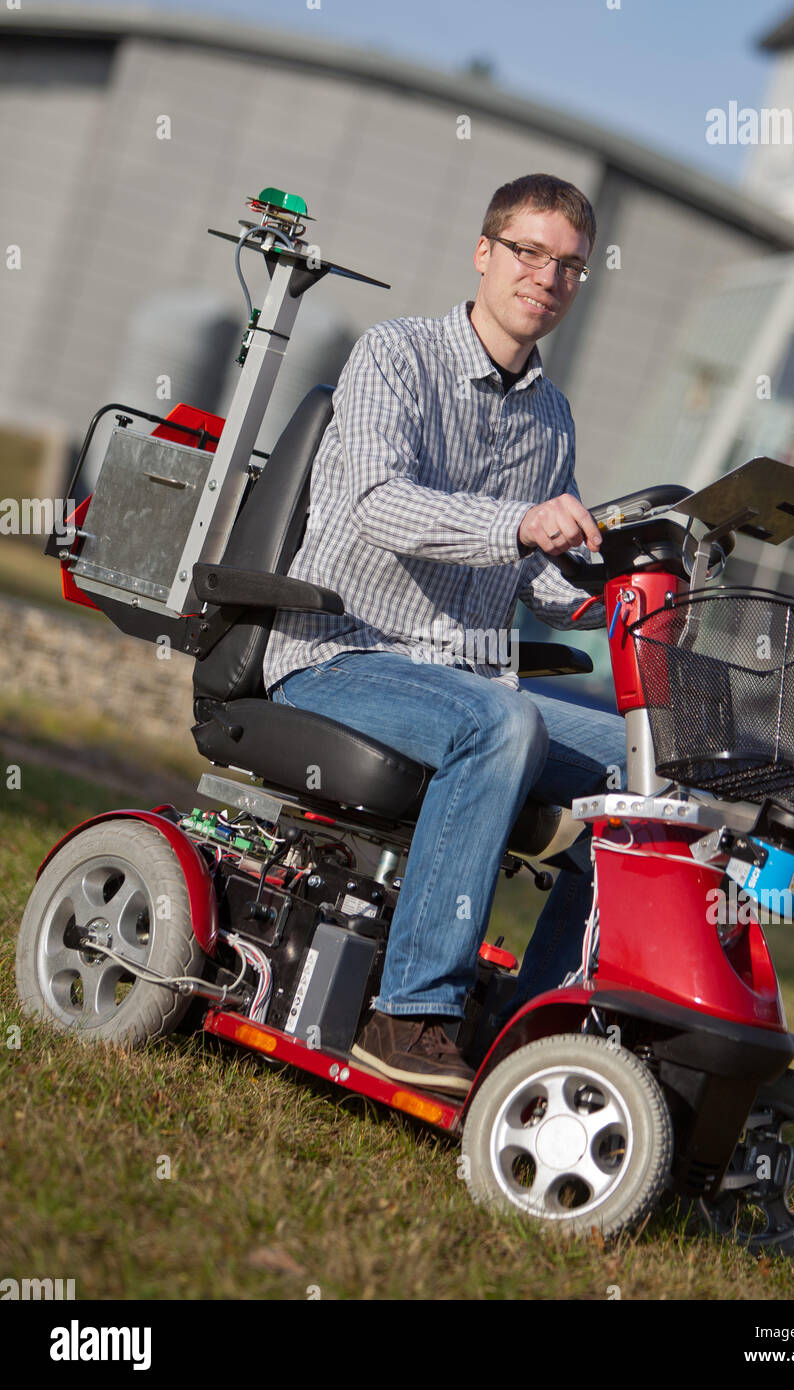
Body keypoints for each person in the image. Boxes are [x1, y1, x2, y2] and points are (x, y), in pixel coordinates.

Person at [262, 173, 627, 1092]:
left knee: (637, 777)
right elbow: (379, 504)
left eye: (569, 265)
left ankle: (535, 1029)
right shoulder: (394, 355)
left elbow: (536, 574)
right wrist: (519, 524)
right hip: (340, 653)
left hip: (461, 677)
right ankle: (408, 1014)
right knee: (500, 723)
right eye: (528, 252)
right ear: (483, 253)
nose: (546, 277)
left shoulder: (551, 417)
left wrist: (614, 591)